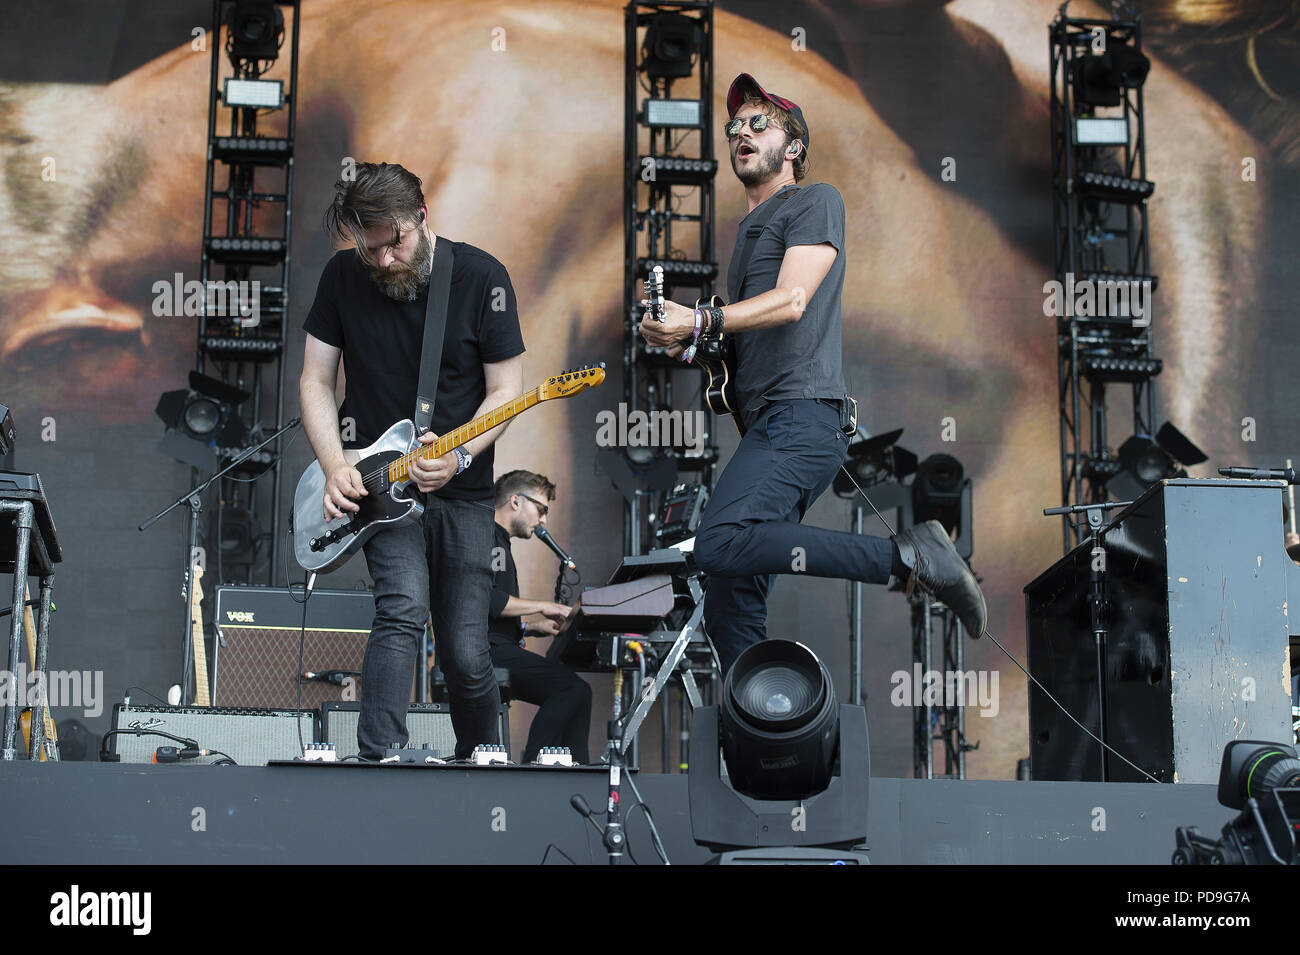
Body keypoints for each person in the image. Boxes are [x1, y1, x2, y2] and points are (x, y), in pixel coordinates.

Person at [640, 74, 988, 674]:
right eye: (733, 127)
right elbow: (747, 349)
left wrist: (699, 320)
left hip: (800, 420)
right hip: (770, 426)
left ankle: (910, 559)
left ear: (793, 147)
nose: (740, 133)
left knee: (719, 541)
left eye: (758, 123)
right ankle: (761, 744)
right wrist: (693, 344)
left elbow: (793, 299)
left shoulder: (812, 200)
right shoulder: (748, 235)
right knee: (730, 602)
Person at [299, 162, 525, 759]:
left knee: (467, 651)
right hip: (380, 486)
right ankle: (381, 758)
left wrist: (461, 454)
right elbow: (316, 381)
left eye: (393, 243)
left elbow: (507, 392)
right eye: (368, 248)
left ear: (422, 218)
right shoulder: (343, 276)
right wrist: (333, 466)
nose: (381, 261)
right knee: (401, 609)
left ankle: (483, 759)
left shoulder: (481, 276)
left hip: (464, 489)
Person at [487, 470, 591, 763]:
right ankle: (538, 768)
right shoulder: (488, 537)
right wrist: (545, 606)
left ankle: (571, 774)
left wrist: (531, 628)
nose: (544, 519)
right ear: (515, 501)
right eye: (541, 509)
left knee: (578, 692)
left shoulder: (499, 541)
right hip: (486, 654)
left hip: (496, 646)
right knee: (570, 688)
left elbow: (488, 617)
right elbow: (489, 601)